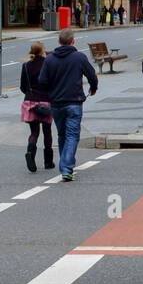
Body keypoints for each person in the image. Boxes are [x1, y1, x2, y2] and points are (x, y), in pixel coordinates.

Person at [37, 28, 98, 181]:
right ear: (73, 41)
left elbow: (42, 81)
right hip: (74, 102)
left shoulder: (49, 59)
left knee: (62, 134)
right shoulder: (79, 57)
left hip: (56, 104)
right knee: (72, 135)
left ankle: (65, 164)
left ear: (58, 41)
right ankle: (66, 168)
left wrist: (51, 92)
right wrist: (93, 88)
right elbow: (92, 75)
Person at [19, 41, 53, 172]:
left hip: (30, 102)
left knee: (34, 132)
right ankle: (48, 161)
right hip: (45, 101)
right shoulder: (48, 64)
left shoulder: (26, 66)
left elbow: (22, 87)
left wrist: (30, 94)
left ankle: (30, 154)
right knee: (47, 131)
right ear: (42, 51)